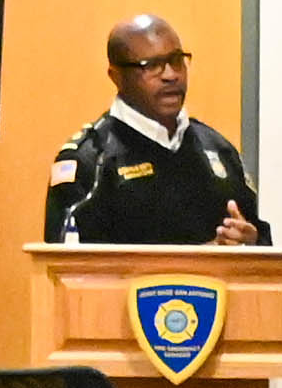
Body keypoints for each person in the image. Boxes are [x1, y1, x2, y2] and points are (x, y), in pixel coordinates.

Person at [43, 13, 266, 247]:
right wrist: (196, 263)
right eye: (152, 66)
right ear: (116, 77)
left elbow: (265, 249)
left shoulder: (219, 150)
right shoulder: (90, 162)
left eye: (177, 60)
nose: (171, 75)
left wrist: (251, 243)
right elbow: (66, 273)